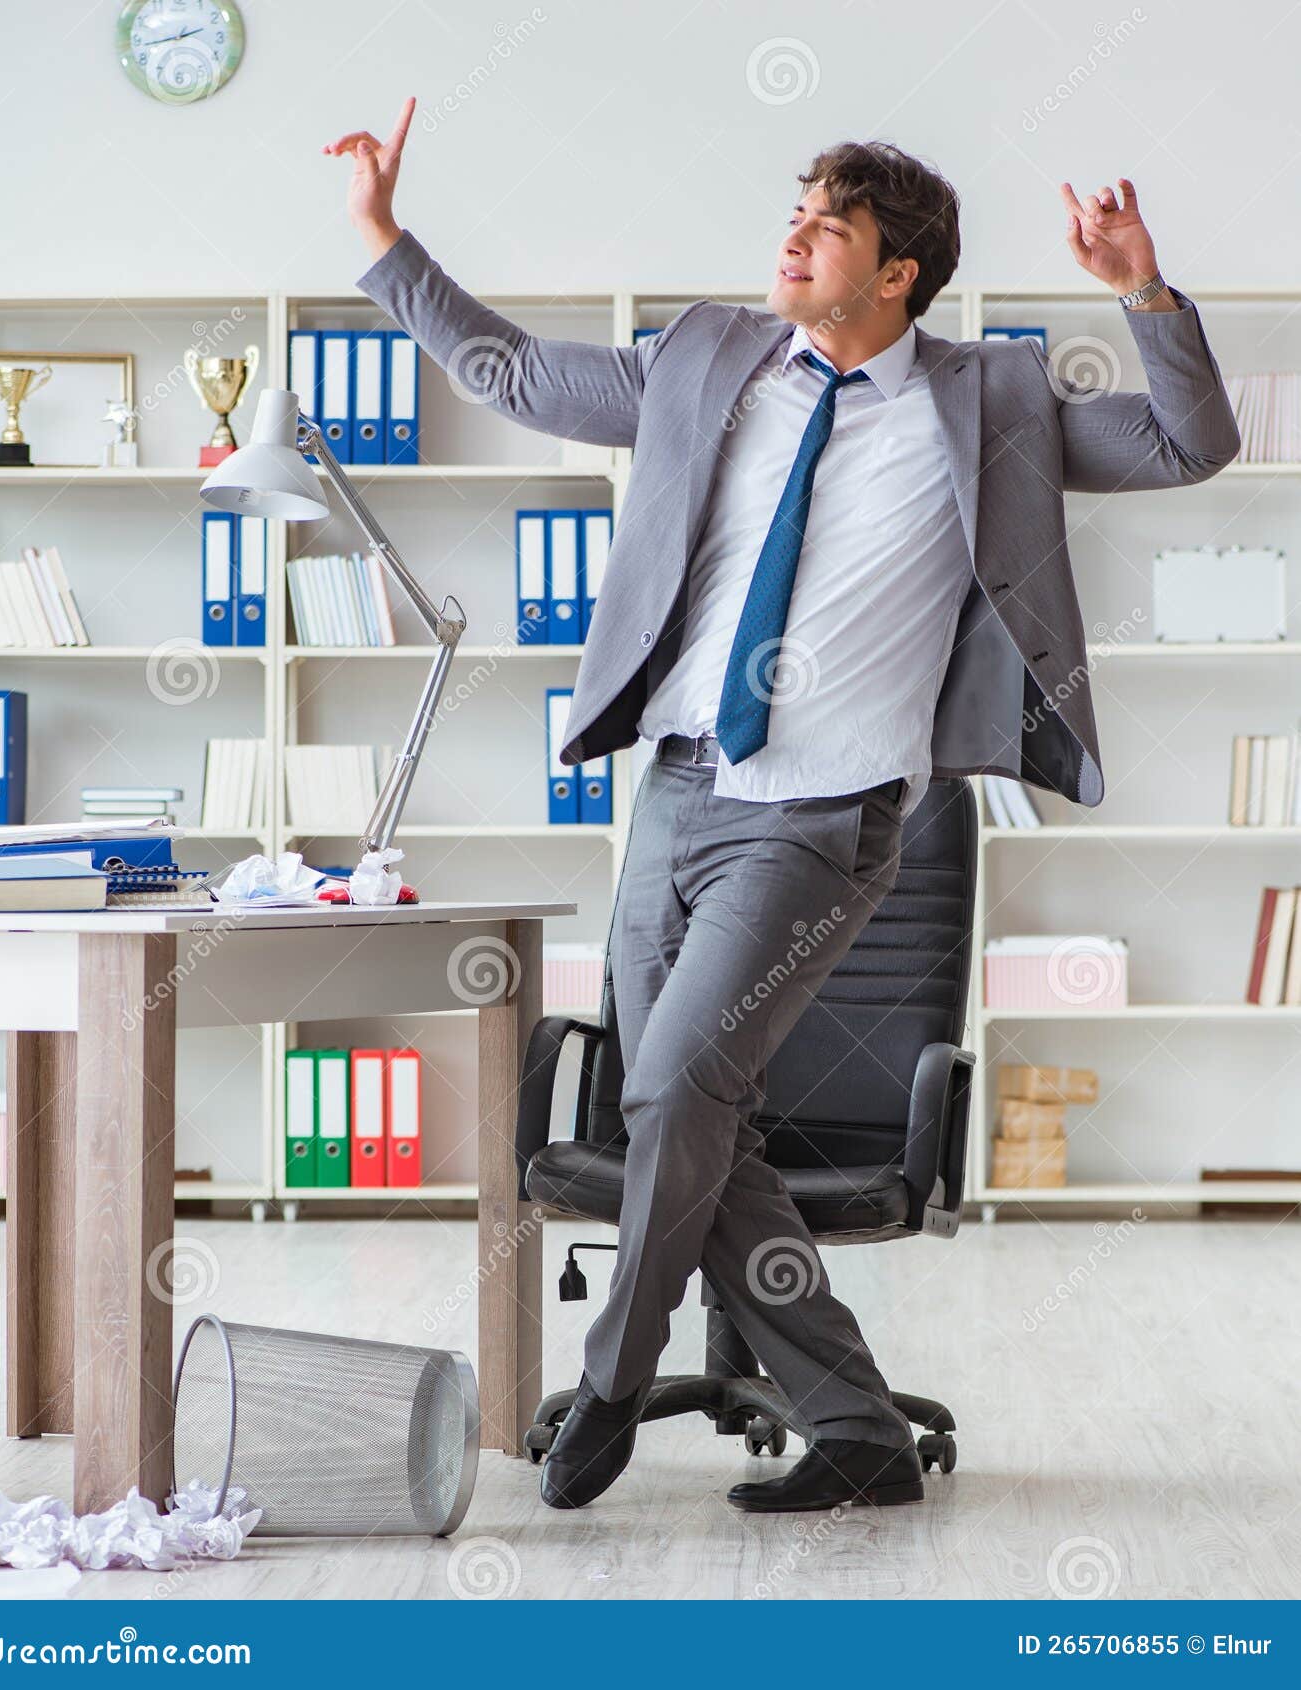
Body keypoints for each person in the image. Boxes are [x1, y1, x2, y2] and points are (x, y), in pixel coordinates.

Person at [327, 98, 1239, 1514]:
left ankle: (613, 1378)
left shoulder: (988, 402)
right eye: (795, 207)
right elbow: (516, 377)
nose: (794, 232)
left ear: (898, 275)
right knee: (695, 1107)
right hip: (676, 791)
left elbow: (1189, 447)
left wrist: (1141, 292)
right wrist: (387, 243)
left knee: (679, 1080)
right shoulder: (705, 359)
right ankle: (856, 1425)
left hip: (821, 819)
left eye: (832, 221)